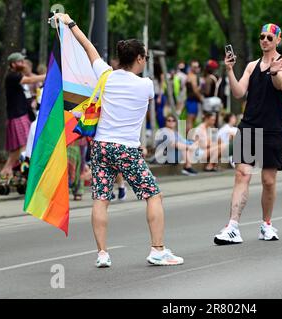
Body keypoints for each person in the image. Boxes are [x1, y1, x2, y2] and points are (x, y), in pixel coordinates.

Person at [55, 13, 183, 267]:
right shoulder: (146, 85)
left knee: (101, 199)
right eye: (144, 57)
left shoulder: (105, 75)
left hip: (101, 146)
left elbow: (88, 46)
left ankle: (102, 254)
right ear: (139, 58)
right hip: (126, 148)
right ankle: (158, 249)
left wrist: (69, 23)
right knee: (153, 195)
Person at [213, 23, 282, 245]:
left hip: (273, 129)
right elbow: (239, 93)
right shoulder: (251, 66)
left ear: (278, 40)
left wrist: (275, 72)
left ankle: (266, 224)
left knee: (268, 181)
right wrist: (229, 70)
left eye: (269, 37)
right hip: (249, 126)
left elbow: (281, 85)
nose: (265, 40)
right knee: (242, 174)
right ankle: (232, 226)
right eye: (262, 37)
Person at [0, 52, 46, 179]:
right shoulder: (12, 76)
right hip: (17, 116)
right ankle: (15, 169)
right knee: (24, 145)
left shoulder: (16, 75)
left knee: (21, 146)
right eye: (20, 62)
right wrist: (48, 76)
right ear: (13, 64)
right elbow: (31, 80)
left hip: (21, 115)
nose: (23, 64)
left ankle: (8, 170)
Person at [185, 60, 204, 133]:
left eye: (197, 67)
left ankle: (188, 138)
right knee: (191, 119)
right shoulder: (193, 76)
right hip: (192, 100)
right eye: (194, 67)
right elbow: (195, 90)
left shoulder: (188, 75)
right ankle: (189, 140)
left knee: (190, 119)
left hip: (190, 100)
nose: (196, 68)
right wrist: (201, 98)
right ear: (191, 67)